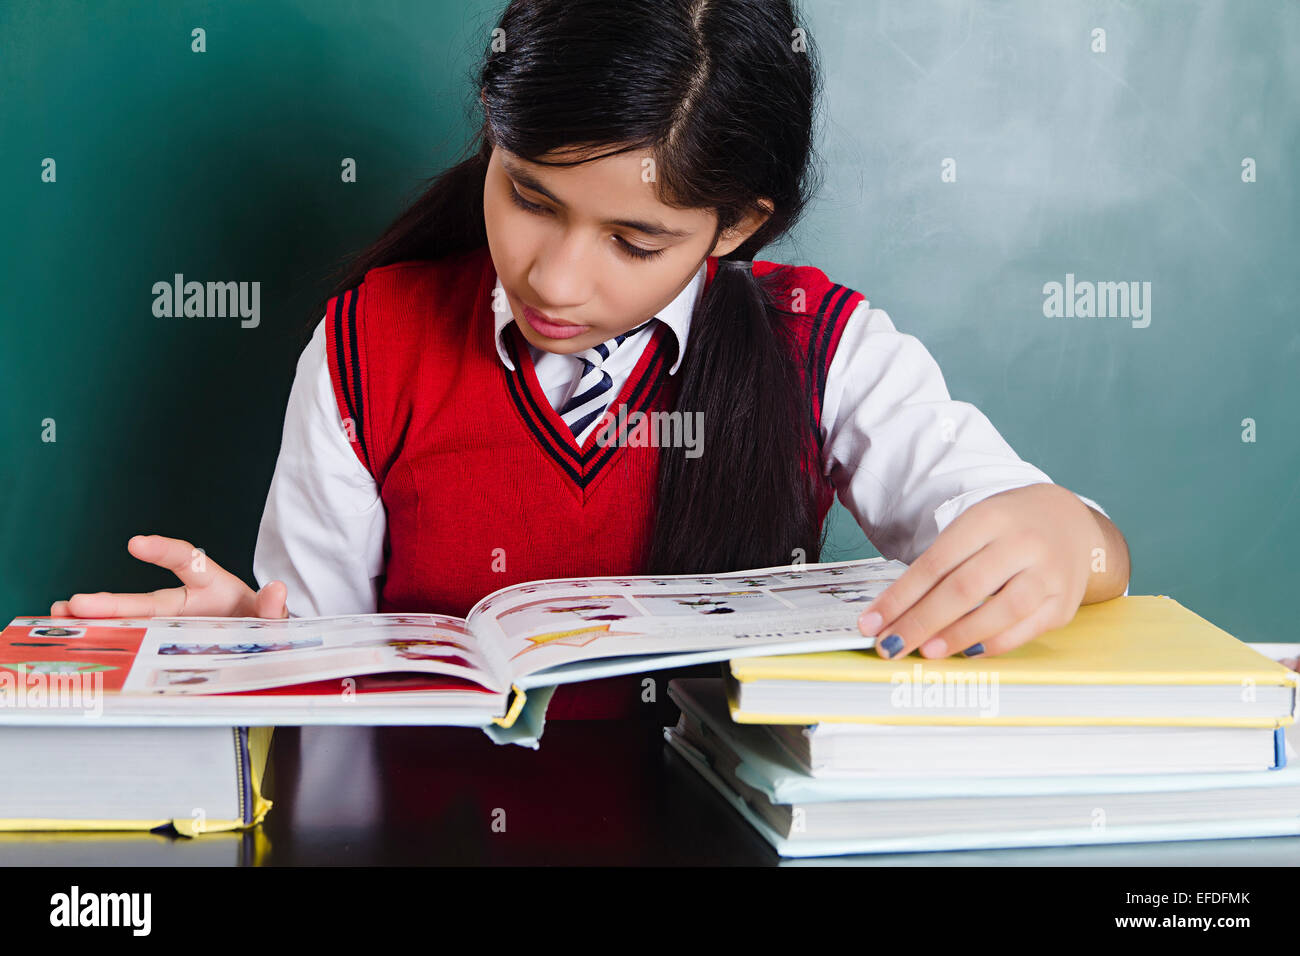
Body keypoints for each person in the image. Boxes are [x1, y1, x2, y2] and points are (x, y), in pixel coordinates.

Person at [50, 0, 1130, 718]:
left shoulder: (827, 351)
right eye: (529, 195)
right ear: (493, 127)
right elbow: (324, 674)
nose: (557, 281)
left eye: (635, 240)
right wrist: (259, 649)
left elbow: (1080, 549)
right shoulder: (365, 346)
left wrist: (1062, 534)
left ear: (737, 226)